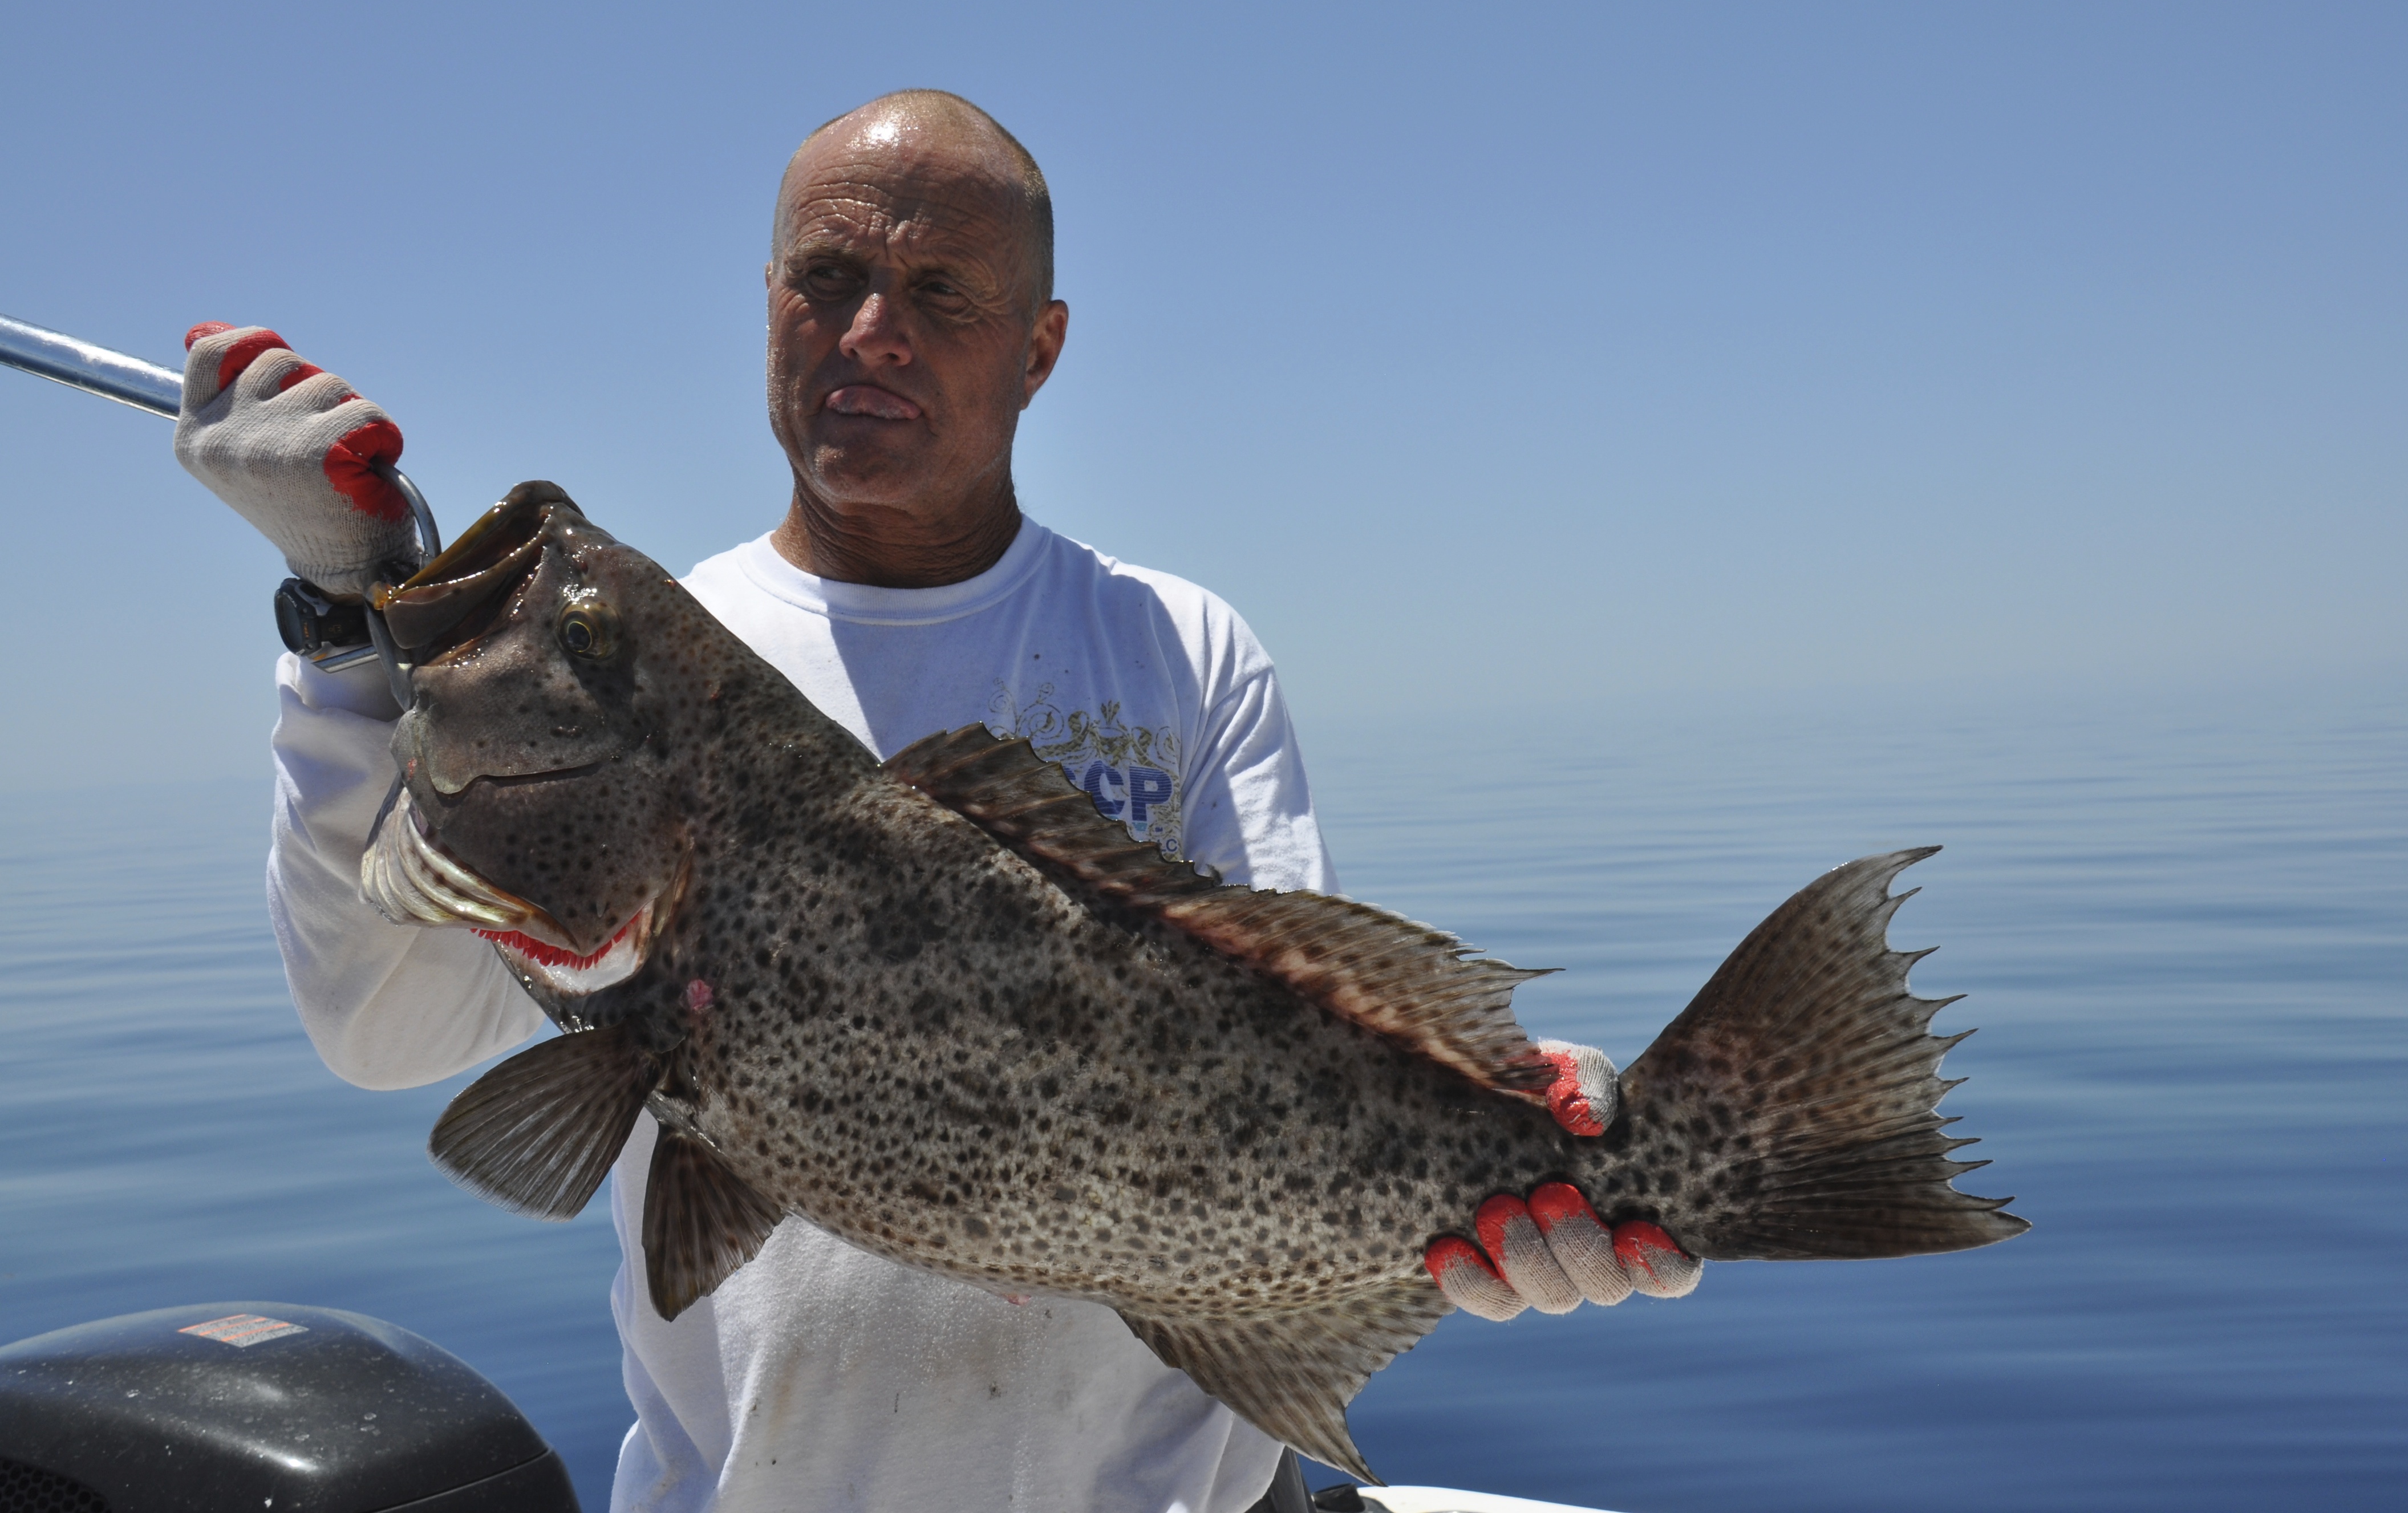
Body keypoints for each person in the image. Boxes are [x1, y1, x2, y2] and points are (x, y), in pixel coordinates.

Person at [173, 90, 1699, 1513]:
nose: (870, 332)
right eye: (824, 279)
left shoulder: (1179, 649)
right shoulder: (662, 678)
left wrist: (1518, 1118)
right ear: (764, 303)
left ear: (1041, 349)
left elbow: (1296, 1025)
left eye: (940, 294)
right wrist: (341, 617)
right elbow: (379, 1031)